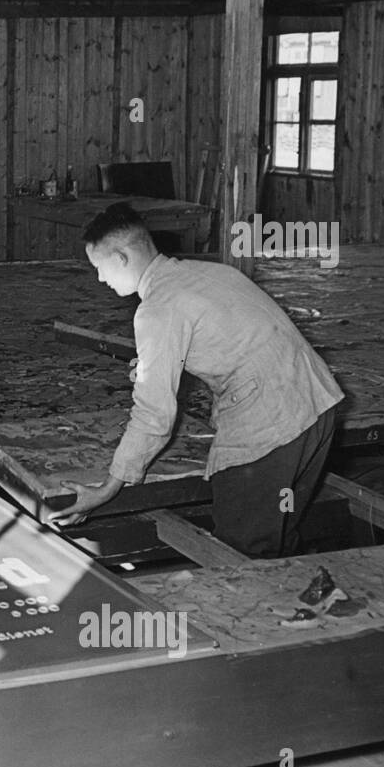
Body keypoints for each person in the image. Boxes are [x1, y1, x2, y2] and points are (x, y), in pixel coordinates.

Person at [49, 203, 343, 558]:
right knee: (281, 533)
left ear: (122, 258)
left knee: (241, 556)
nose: (100, 279)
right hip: (318, 406)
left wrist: (110, 486)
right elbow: (241, 341)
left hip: (271, 429)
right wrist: (162, 364)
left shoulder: (158, 309)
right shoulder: (211, 273)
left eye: (99, 267)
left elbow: (153, 414)